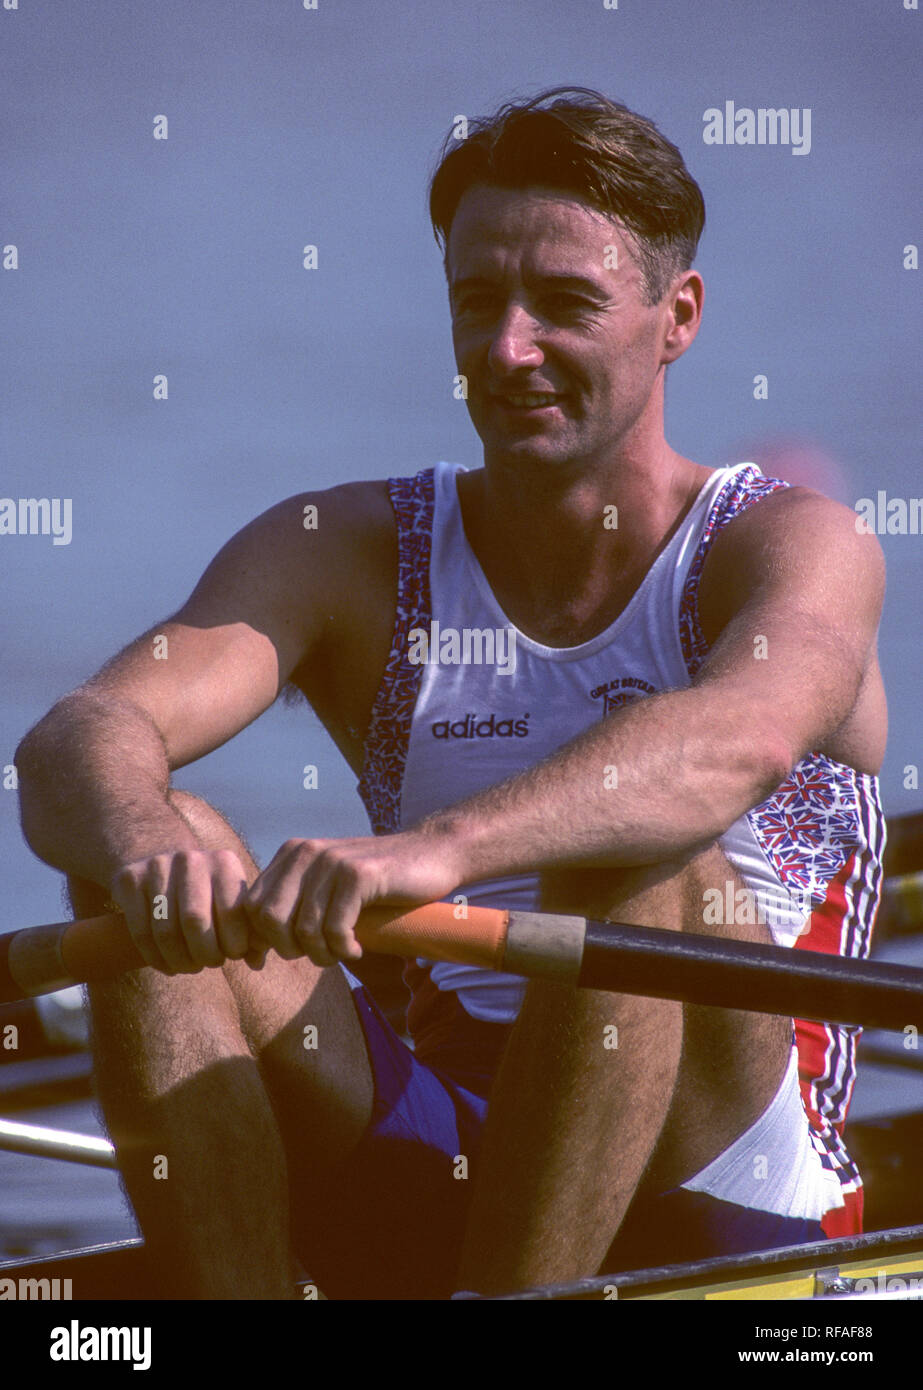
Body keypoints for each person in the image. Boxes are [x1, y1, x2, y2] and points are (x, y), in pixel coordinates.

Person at [15, 87, 887, 1300]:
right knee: (152, 853)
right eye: (478, 301)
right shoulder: (347, 548)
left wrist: (439, 848)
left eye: (565, 306)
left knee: (640, 859)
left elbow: (731, 743)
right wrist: (147, 837)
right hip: (451, 1156)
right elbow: (78, 736)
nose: (507, 349)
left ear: (674, 317)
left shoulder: (791, 546)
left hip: (733, 1190)